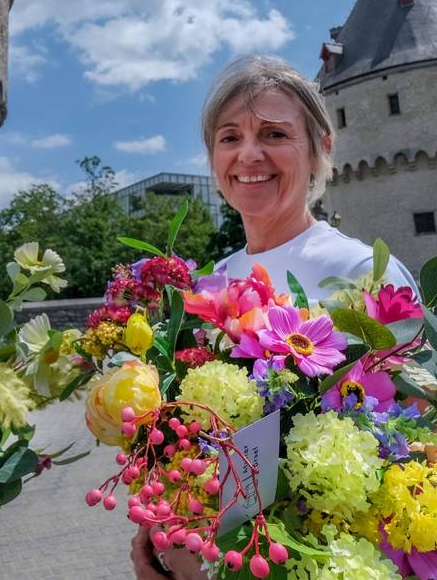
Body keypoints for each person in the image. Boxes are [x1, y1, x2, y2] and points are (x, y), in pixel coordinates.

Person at [130, 55, 417, 578]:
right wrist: (158, 531)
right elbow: (185, 442)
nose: (249, 154)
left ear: (321, 148)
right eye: (229, 137)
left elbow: (419, 439)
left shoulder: (363, 272)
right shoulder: (210, 284)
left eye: (274, 133)